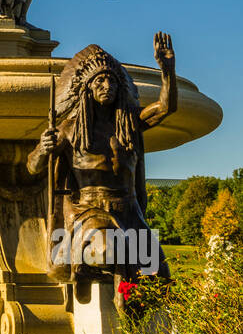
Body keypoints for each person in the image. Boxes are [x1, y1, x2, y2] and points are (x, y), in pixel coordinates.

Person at [27, 34, 177, 290]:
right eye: (100, 80)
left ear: (120, 87)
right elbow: (33, 166)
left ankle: (115, 295)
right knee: (110, 250)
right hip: (89, 211)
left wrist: (168, 71)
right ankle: (88, 270)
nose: (106, 85)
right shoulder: (71, 129)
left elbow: (165, 107)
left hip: (129, 211)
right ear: (88, 88)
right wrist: (43, 148)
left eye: (111, 80)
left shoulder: (129, 123)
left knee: (160, 274)